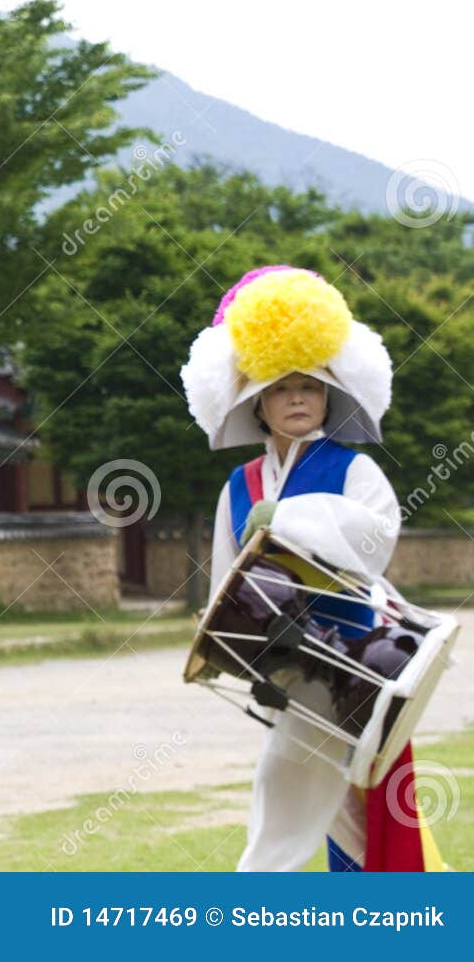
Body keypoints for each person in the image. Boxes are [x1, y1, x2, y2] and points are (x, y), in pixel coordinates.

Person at [181, 264, 442, 871]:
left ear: (329, 396)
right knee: (341, 814)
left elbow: (375, 541)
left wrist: (293, 517)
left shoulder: (355, 471)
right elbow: (228, 584)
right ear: (259, 405)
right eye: (281, 387)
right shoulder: (238, 486)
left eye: (311, 386)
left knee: (288, 799)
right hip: (285, 670)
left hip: (353, 661)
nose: (298, 397)